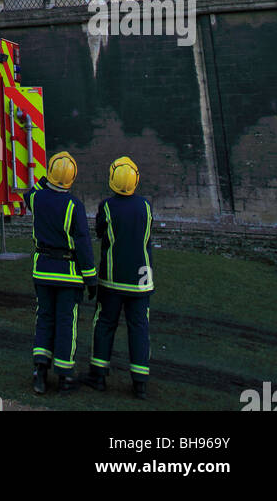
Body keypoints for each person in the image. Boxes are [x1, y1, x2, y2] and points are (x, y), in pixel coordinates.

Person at [26, 150, 97, 394]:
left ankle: (39, 370)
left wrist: (45, 178)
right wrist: (91, 278)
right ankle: (65, 376)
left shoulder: (36, 199)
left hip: (42, 270)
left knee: (44, 318)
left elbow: (32, 191)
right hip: (68, 274)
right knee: (66, 323)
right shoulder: (74, 206)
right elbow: (83, 244)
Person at [85, 156, 153, 399]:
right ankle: (140, 383)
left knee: (104, 324)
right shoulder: (146, 206)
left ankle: (98, 376)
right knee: (139, 328)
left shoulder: (107, 206)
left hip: (112, 279)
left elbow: (100, 231)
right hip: (141, 279)